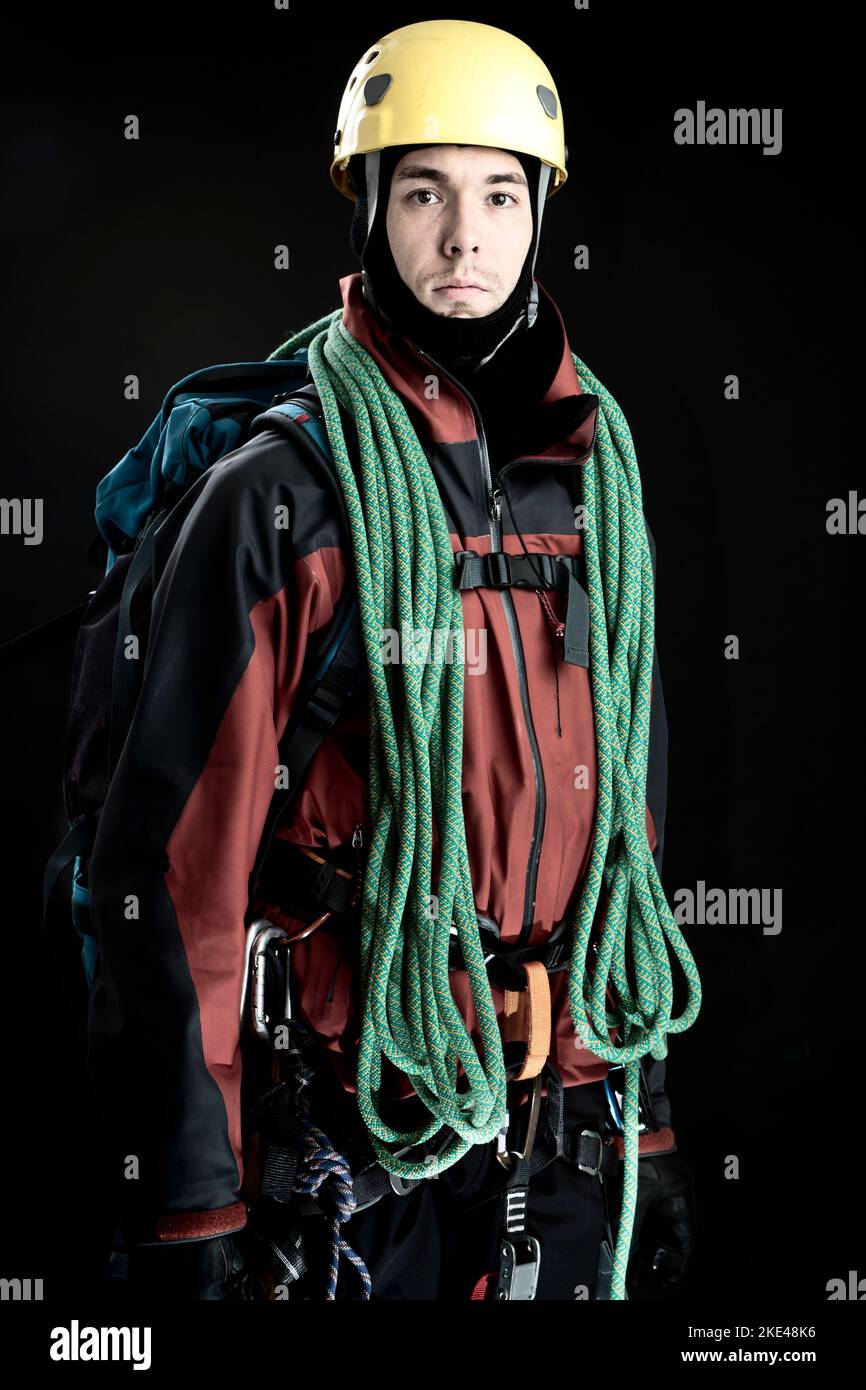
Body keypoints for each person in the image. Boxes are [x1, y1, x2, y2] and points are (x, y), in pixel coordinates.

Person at [87, 18, 697, 1302]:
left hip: (553, 1134)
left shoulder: (594, 490)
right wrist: (192, 1204)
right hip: (344, 1137)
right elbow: (174, 873)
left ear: (539, 213)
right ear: (368, 208)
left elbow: (626, 852)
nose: (463, 236)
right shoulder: (282, 499)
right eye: (423, 193)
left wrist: (638, 1128)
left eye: (498, 194)